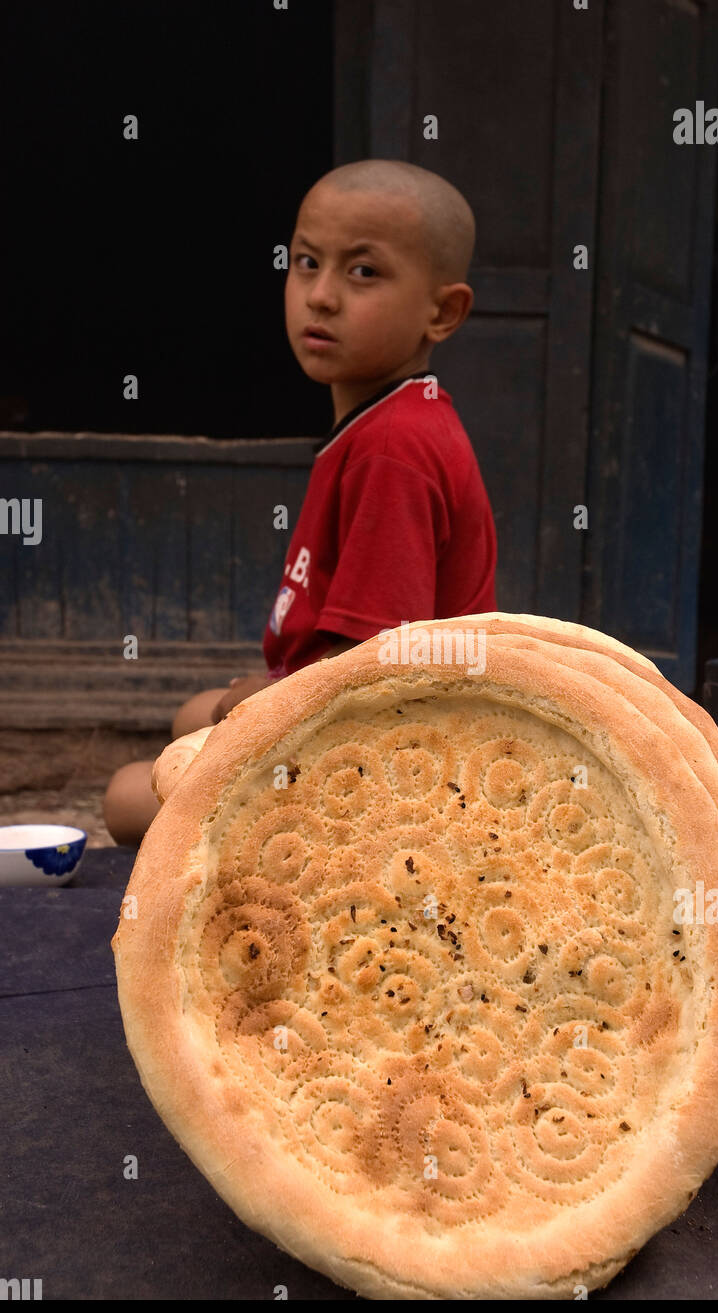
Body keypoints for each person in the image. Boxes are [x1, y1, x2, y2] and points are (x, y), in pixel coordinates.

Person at [102, 158, 498, 845]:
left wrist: (255, 703)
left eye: (363, 272)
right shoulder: (381, 420)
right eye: (307, 262)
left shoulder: (395, 447)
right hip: (340, 702)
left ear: (443, 311)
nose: (320, 296)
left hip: (392, 752)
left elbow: (371, 675)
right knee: (194, 714)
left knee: (128, 799)